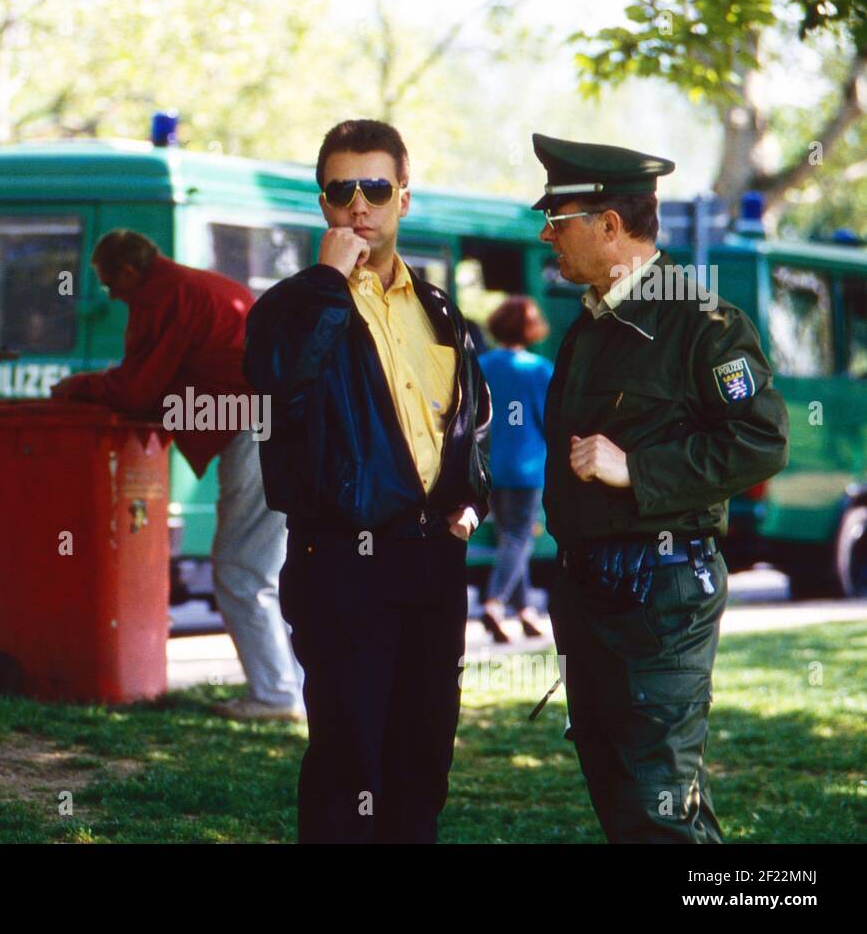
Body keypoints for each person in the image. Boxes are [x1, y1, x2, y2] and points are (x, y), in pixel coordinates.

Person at [531, 133, 789, 842]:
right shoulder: (592, 321)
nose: (546, 235)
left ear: (610, 226)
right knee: (623, 797)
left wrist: (637, 469)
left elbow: (761, 438)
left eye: (559, 220)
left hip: (661, 595)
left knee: (656, 805)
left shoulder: (701, 323)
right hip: (589, 593)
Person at [243, 119, 491, 843]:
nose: (360, 204)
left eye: (376, 187)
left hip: (432, 561)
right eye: (341, 189)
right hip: (341, 561)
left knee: (423, 758)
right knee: (350, 765)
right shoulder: (290, 305)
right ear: (322, 203)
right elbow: (280, 389)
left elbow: (467, 417)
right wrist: (329, 283)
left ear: (403, 199)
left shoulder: (439, 308)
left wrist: (468, 497)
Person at [51, 230, 304, 721]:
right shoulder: (194, 285)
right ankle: (291, 690)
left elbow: (137, 390)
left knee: (242, 570)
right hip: (278, 421)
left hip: (258, 428)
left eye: (109, 284)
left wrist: (78, 386)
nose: (112, 296)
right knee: (264, 569)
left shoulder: (164, 295)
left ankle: (276, 697)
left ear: (127, 272)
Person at [478, 296, 553, 643]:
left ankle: (526, 613)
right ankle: (494, 602)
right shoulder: (538, 370)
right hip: (527, 467)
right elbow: (549, 420)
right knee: (520, 537)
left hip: (491, 467)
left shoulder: (482, 365)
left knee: (510, 536)